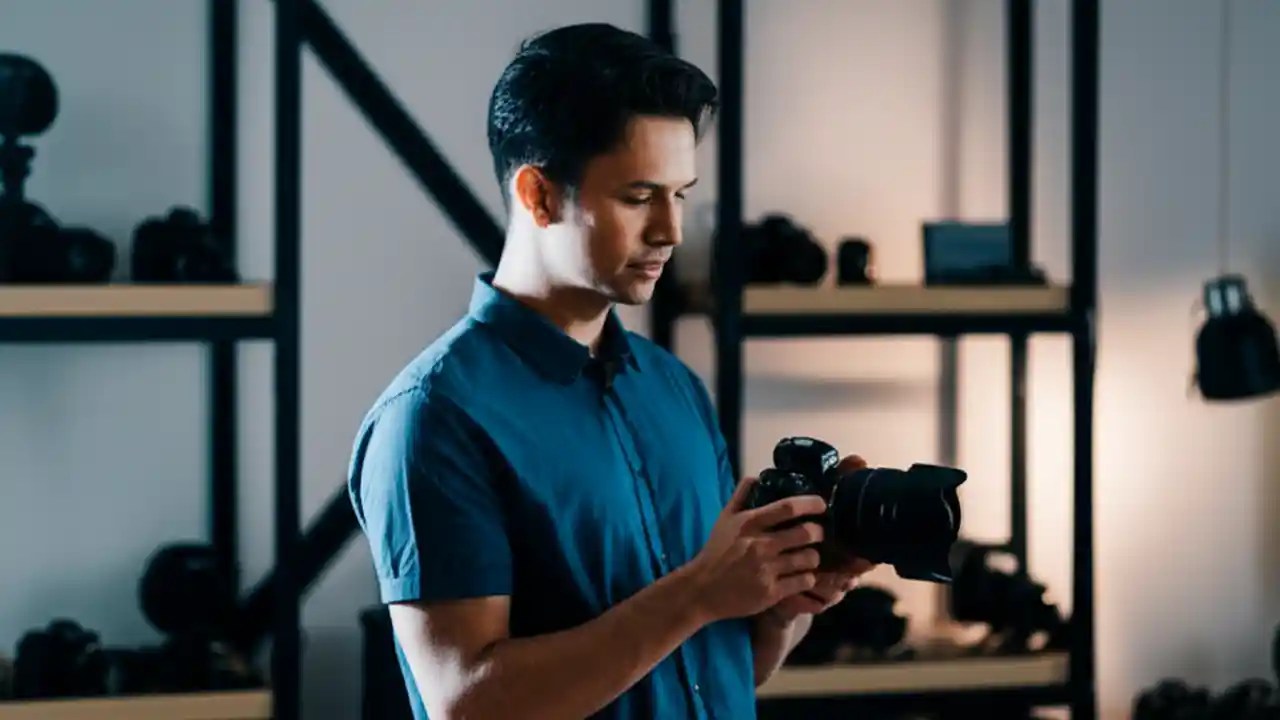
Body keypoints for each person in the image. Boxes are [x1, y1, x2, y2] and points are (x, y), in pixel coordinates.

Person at [347, 22, 873, 720]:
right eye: (637, 197)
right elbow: (468, 703)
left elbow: (719, 670)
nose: (670, 231)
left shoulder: (673, 388)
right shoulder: (433, 416)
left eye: (680, 195)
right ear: (537, 194)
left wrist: (777, 607)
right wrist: (698, 593)